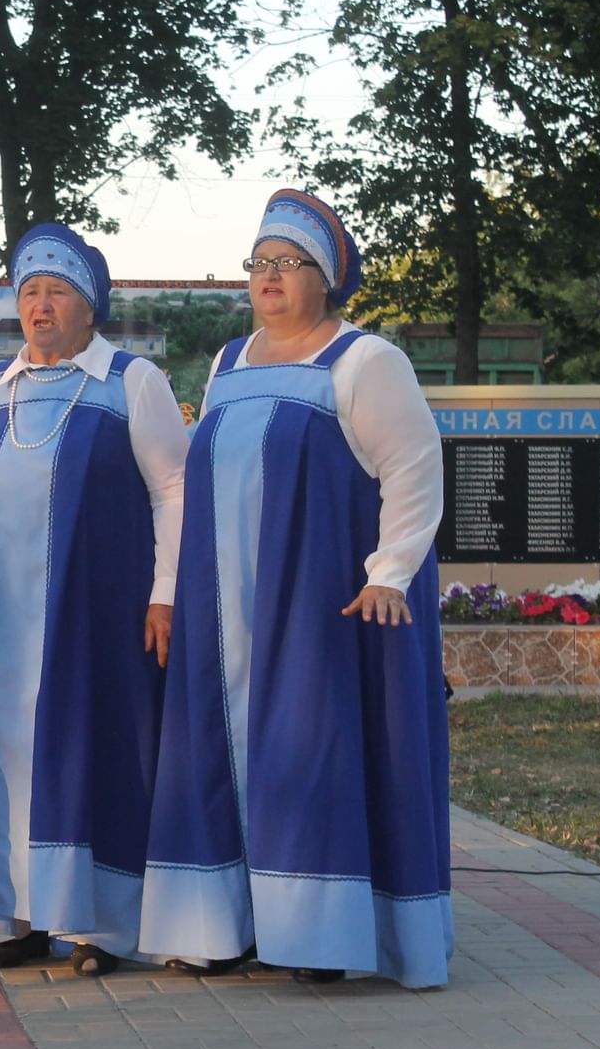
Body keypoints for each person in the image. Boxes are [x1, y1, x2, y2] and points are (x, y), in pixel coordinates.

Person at [139, 188, 452, 989]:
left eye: (290, 263)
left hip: (315, 608)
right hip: (223, 609)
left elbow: (414, 468)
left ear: (328, 279)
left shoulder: (365, 360)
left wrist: (390, 571)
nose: (270, 276)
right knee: (216, 756)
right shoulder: (226, 363)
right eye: (260, 263)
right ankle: (218, 926)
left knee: (311, 755)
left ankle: (317, 936)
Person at [0, 225, 187, 976]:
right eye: (31, 292)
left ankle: (99, 927)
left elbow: (174, 491)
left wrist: (166, 593)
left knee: (90, 749)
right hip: (0, 618)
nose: (41, 306)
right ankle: (13, 916)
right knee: (6, 755)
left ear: (90, 308)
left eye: (58, 292)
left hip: (93, 611)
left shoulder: (130, 382)